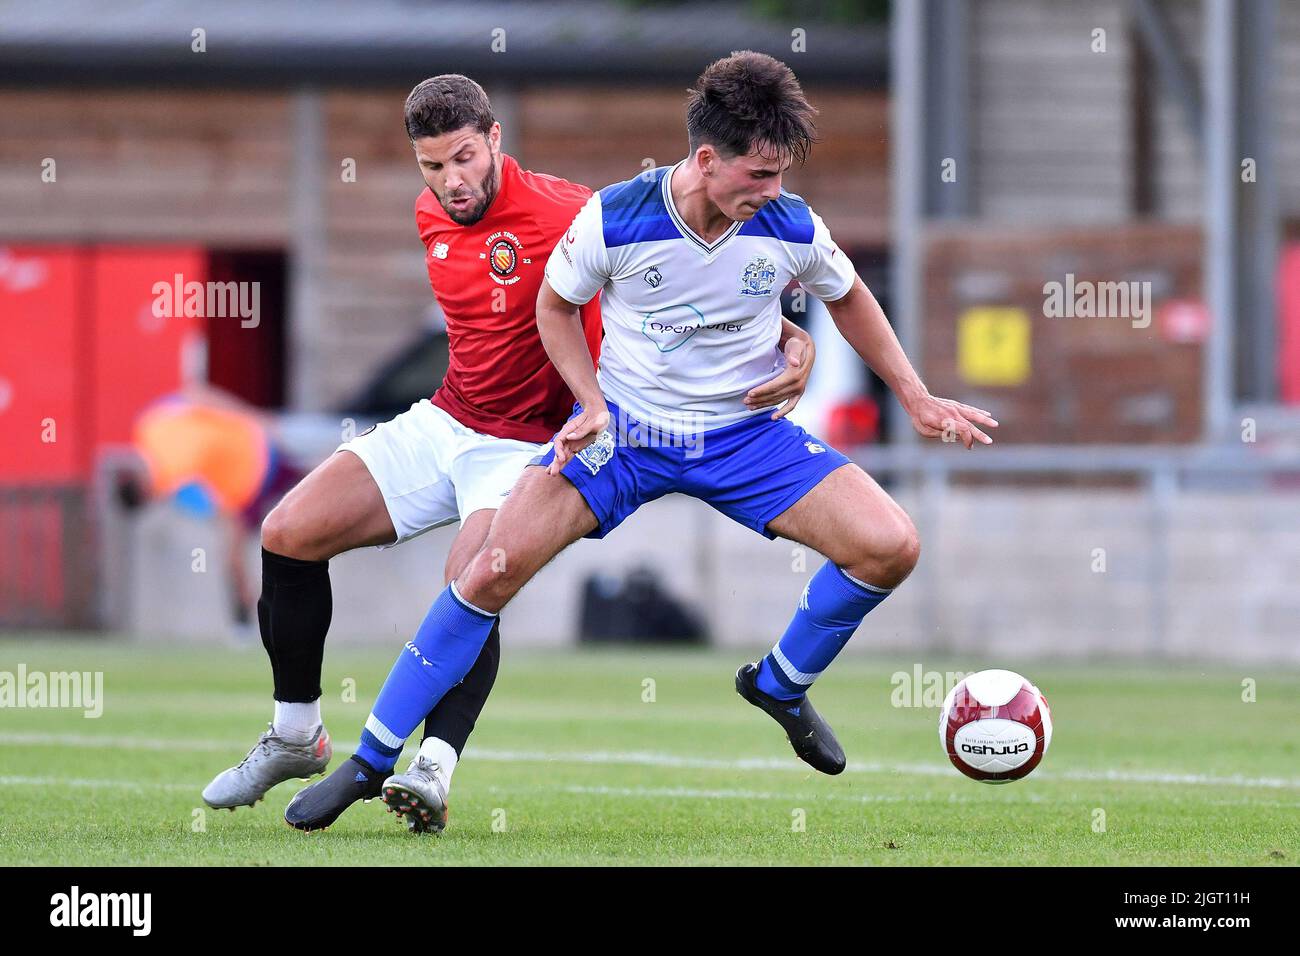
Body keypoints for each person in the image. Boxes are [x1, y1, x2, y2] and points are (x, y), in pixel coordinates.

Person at [345, 51, 999, 832]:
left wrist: (913, 395)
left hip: (745, 436)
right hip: (627, 433)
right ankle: (369, 759)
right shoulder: (619, 216)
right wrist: (587, 402)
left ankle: (781, 684)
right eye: (759, 174)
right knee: (490, 567)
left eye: (781, 174)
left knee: (891, 544)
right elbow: (556, 307)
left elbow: (849, 296)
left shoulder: (789, 224)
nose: (774, 192)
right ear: (705, 160)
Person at [200, 73, 819, 835]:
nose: (451, 180)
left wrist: (787, 333)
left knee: (473, 575)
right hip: (447, 420)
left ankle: (434, 765)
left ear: (495, 139)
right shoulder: (430, 213)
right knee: (287, 533)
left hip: (535, 441)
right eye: (433, 166)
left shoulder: (571, 210)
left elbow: (680, 257)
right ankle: (296, 734)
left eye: (464, 157)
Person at [116, 384, 303, 635]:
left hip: (264, 440)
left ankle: (244, 619)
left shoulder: (152, 426)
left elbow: (198, 396)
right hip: (260, 481)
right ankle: (245, 617)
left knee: (339, 450)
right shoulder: (176, 484)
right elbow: (228, 519)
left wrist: (254, 417)